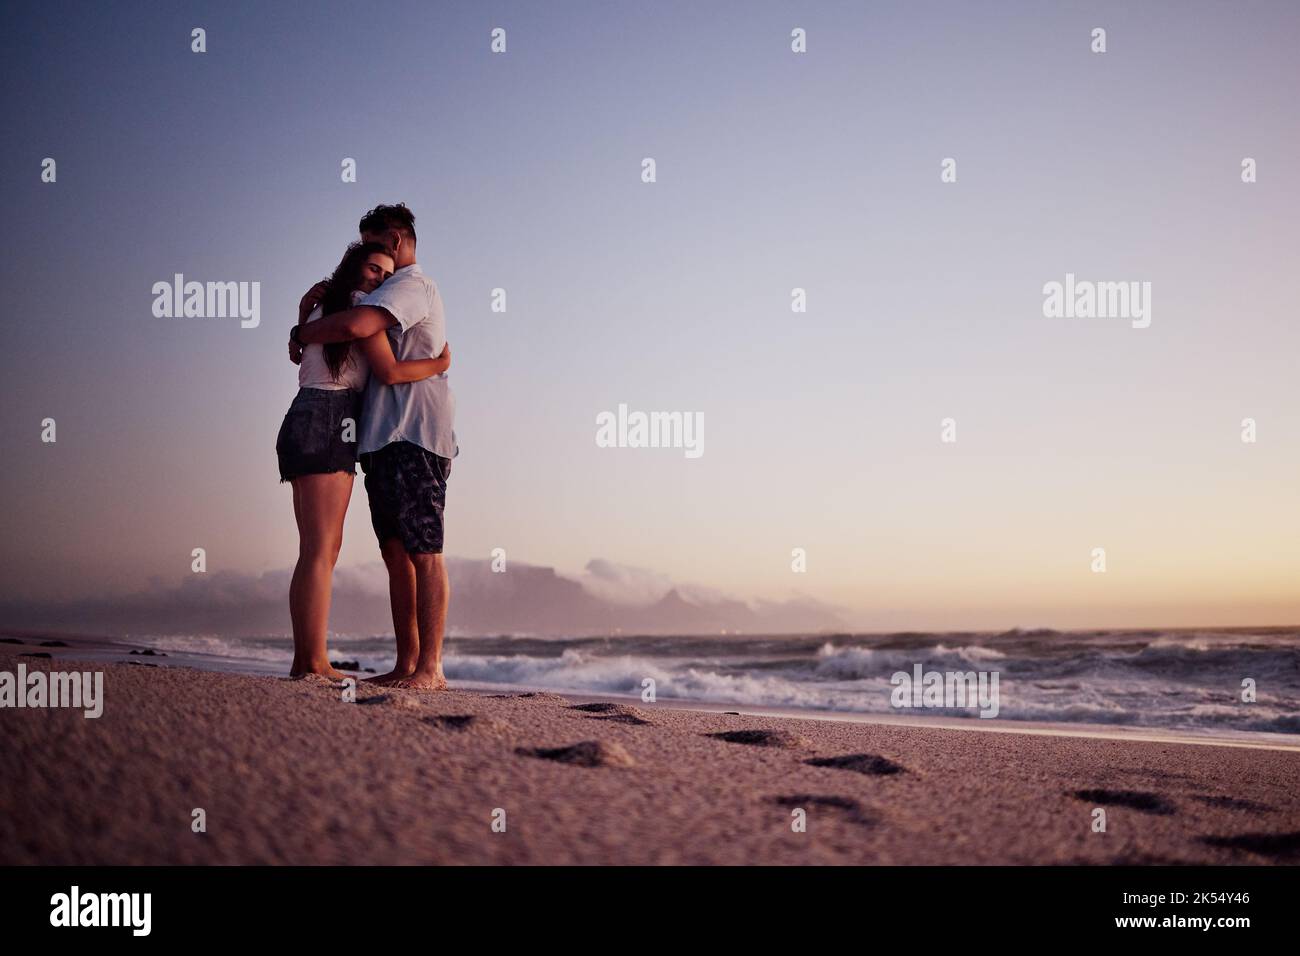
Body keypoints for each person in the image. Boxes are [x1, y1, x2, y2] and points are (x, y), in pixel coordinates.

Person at [290, 205, 458, 690]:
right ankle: (407, 662)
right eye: (370, 257)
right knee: (394, 552)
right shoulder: (377, 290)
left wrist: (302, 330)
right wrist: (302, 324)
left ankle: (431, 667)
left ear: (399, 238)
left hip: (414, 432)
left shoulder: (410, 285)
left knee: (424, 549)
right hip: (380, 436)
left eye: (382, 248)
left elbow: (356, 329)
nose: (379, 260)